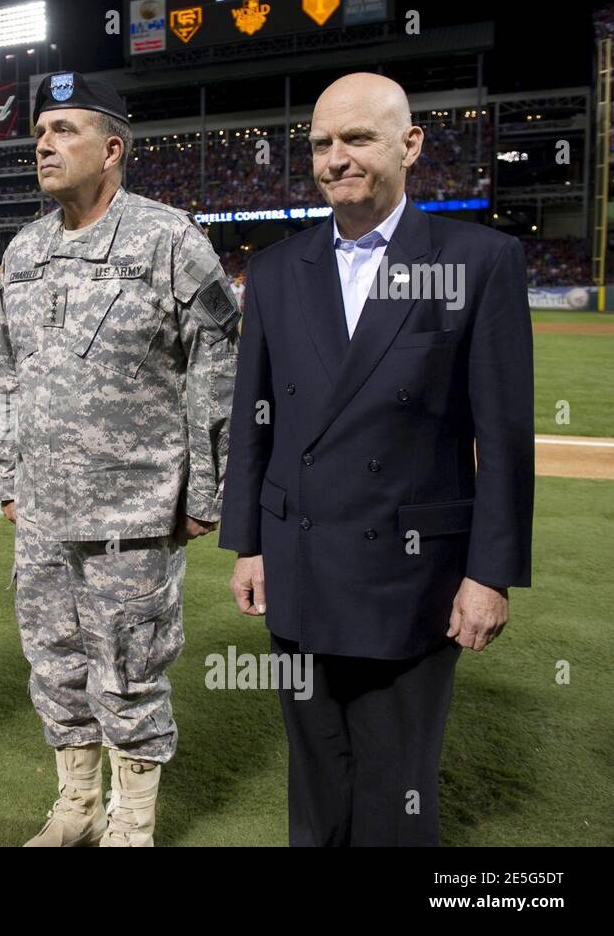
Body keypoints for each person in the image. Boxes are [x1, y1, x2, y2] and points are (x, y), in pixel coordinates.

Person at [219, 73, 534, 846]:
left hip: (413, 576)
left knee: (397, 795)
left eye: (357, 138)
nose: (336, 157)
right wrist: (247, 543)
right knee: (316, 784)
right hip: (297, 561)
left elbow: (503, 437)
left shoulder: (479, 261)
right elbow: (253, 417)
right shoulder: (277, 269)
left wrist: (489, 573)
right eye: (322, 143)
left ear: (410, 144)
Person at [0, 71, 239, 847]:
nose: (44, 144)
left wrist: (204, 486)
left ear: (113, 147)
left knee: (129, 665)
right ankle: (77, 807)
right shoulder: (24, 249)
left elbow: (218, 365)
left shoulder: (168, 239)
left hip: (135, 509)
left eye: (64, 129)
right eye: (40, 132)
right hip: (43, 511)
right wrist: (7, 477)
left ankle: (134, 819)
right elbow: (1, 374)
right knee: (55, 663)